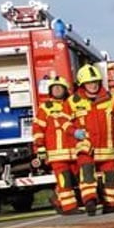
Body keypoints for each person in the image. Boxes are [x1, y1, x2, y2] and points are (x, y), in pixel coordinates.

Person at [68, 63, 114, 215]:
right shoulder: (73, 102)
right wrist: (73, 131)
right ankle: (90, 201)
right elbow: (63, 121)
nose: (93, 85)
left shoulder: (110, 99)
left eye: (96, 82)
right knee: (87, 176)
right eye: (90, 83)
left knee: (111, 179)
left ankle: (110, 204)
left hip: (108, 147)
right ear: (83, 84)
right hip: (86, 148)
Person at [30, 74, 78, 213]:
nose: (57, 90)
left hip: (74, 151)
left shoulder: (70, 105)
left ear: (65, 89)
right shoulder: (46, 107)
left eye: (59, 87)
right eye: (54, 88)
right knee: (64, 180)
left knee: (74, 178)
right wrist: (40, 147)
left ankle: (57, 199)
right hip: (56, 152)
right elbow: (38, 128)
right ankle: (69, 207)